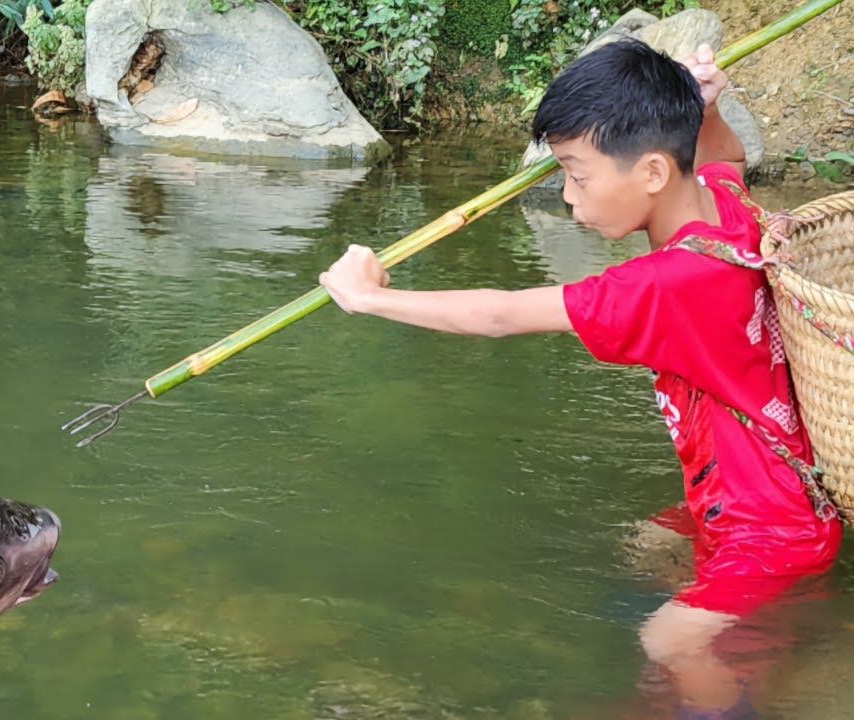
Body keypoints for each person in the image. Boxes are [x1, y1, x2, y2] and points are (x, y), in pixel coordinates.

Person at [318, 39, 843, 719]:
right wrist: (706, 110)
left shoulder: (666, 285)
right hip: (761, 491)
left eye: (577, 174)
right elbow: (726, 158)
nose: (568, 196)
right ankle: (754, 654)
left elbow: (502, 315)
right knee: (643, 544)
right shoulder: (723, 209)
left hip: (767, 526)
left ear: (652, 171)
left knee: (670, 640)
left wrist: (374, 299)